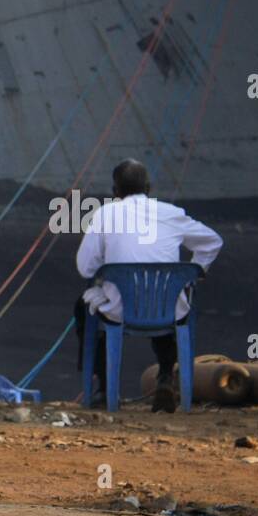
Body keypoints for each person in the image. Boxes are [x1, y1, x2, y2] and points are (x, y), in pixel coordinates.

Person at [74, 159, 223, 412]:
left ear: (115, 192)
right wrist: (194, 273)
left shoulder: (104, 214)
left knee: (83, 308)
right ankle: (166, 376)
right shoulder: (172, 214)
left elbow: (85, 267)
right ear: (149, 188)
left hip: (120, 310)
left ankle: (103, 389)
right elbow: (212, 242)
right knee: (170, 309)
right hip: (167, 310)